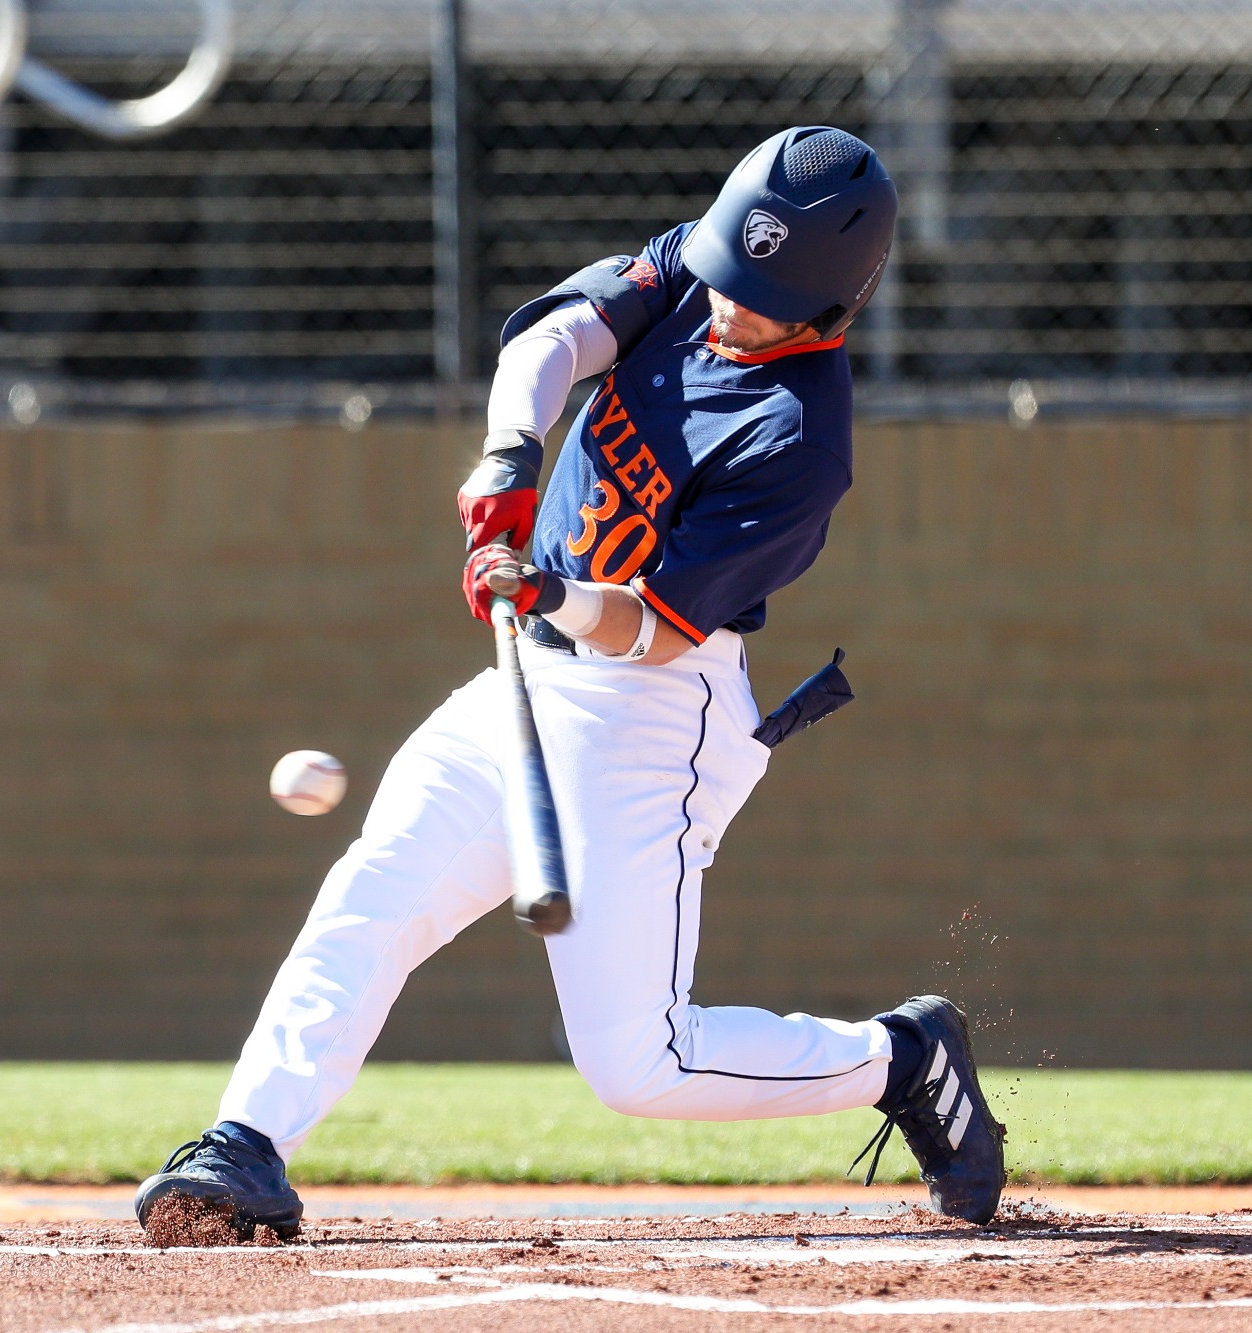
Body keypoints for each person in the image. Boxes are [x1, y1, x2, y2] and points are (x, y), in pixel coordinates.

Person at [134, 127, 1006, 1241]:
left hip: (652, 712)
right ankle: (245, 1144)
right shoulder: (703, 264)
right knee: (375, 890)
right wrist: (510, 454)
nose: (725, 304)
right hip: (528, 681)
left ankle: (901, 1056)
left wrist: (549, 589)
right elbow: (555, 337)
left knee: (640, 1063)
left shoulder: (797, 442)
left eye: (760, 302)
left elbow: (653, 630)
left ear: (831, 310)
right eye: (725, 272)